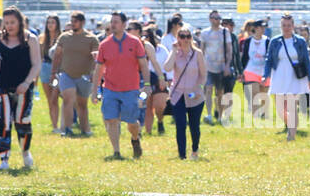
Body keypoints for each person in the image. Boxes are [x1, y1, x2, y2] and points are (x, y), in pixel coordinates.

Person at [91, 11, 150, 160]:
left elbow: (143, 64)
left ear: (124, 24)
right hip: (110, 88)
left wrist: (148, 84)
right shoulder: (104, 44)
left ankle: (135, 139)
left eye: (116, 22)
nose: (113, 25)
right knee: (111, 120)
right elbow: (99, 68)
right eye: (112, 22)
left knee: (132, 123)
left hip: (130, 89)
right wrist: (94, 90)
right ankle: (116, 151)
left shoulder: (135, 42)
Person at [0, 7, 40, 171]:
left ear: (20, 22)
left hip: (24, 87)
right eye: (6, 23)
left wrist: (26, 83)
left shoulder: (30, 39)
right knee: (3, 123)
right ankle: (4, 158)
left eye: (13, 22)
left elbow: (36, 65)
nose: (9, 26)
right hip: (1, 86)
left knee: (22, 120)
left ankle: (25, 151)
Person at [263, 13, 310, 142]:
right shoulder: (275, 41)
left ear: (293, 26)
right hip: (279, 75)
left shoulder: (300, 41)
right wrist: (265, 75)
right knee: (280, 109)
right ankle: (290, 123)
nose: (286, 28)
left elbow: (307, 60)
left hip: (295, 76)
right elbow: (268, 60)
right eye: (284, 25)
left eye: (289, 25)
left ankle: (291, 134)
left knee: (291, 105)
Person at [53, 11, 99, 137]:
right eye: (72, 21)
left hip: (84, 76)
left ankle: (85, 129)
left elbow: (96, 58)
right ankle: (67, 129)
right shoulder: (64, 37)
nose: (73, 24)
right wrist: (54, 72)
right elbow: (57, 55)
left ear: (82, 22)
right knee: (68, 99)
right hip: (66, 74)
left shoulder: (91, 39)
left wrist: (93, 73)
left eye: (75, 21)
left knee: (82, 105)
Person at [164, 24, 206, 159]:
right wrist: (173, 50)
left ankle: (195, 150)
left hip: (195, 95)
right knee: (180, 125)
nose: (185, 39)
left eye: (188, 36)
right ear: (178, 39)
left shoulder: (197, 54)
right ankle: (182, 154)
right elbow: (167, 68)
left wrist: (199, 89)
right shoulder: (176, 54)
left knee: (194, 126)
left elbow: (203, 74)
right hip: (178, 95)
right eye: (182, 36)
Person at [199, 10, 232, 125]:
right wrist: (201, 65)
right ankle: (208, 114)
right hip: (208, 66)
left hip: (221, 66)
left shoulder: (225, 32)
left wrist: (227, 65)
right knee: (208, 89)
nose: (217, 20)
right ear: (210, 19)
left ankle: (219, 114)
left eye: (218, 18)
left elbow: (229, 49)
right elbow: (202, 50)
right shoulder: (205, 33)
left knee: (219, 92)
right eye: (214, 18)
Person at [238, 19, 269, 122]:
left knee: (263, 94)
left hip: (263, 71)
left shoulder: (267, 41)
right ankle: (255, 116)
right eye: (261, 27)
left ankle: (264, 113)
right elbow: (245, 57)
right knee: (254, 93)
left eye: (264, 27)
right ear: (255, 28)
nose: (263, 29)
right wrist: (241, 71)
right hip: (251, 70)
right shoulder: (248, 41)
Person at [39, 14, 62, 134]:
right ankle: (55, 125)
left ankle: (62, 123)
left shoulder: (62, 37)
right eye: (48, 22)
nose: (50, 25)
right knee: (50, 100)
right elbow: (39, 56)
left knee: (55, 97)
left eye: (53, 22)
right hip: (45, 68)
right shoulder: (42, 38)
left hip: (58, 68)